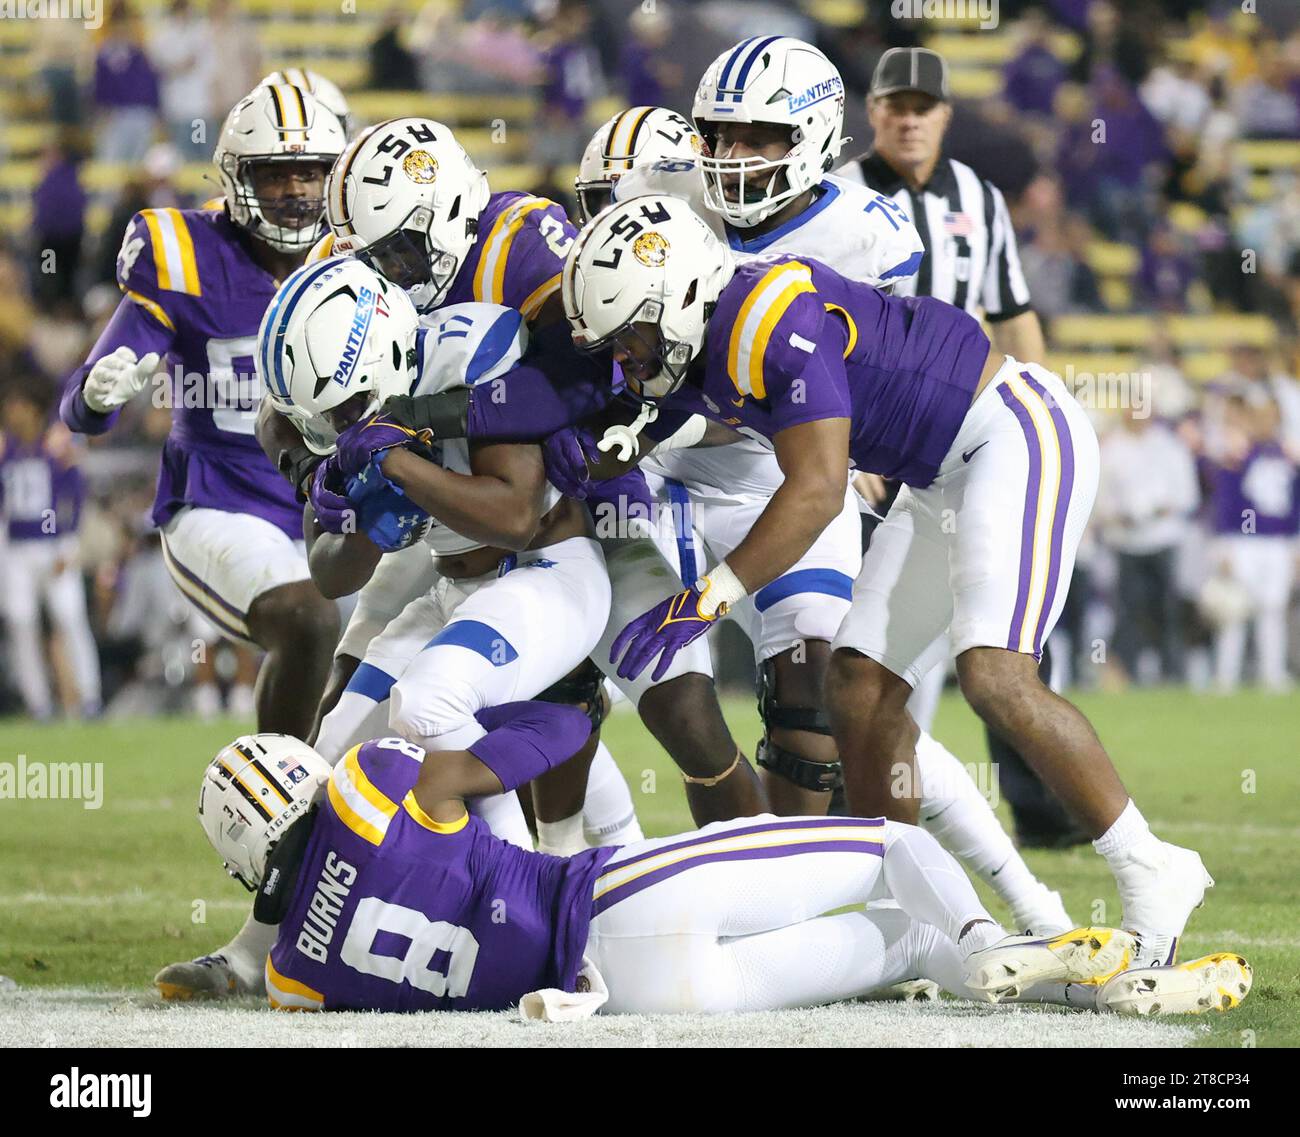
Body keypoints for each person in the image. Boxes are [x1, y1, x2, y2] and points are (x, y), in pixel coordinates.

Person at [562, 194, 1215, 969]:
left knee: (995, 675)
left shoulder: (770, 316)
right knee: (858, 690)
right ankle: (914, 916)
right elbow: (658, 417)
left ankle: (1150, 867)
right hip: (938, 475)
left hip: (1014, 429)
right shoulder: (701, 330)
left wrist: (706, 598)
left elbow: (816, 490)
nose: (627, 356)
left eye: (633, 334)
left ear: (678, 298)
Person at [301, 116, 769, 828]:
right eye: (373, 255)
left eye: (398, 249)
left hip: (574, 505)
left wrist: (422, 422)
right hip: (438, 521)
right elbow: (288, 392)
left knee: (682, 711)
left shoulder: (523, 245)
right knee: (346, 699)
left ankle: (750, 880)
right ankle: (527, 872)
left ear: (447, 208)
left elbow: (588, 379)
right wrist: (313, 463)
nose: (386, 271)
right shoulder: (352, 259)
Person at [196, 726, 1253, 1018]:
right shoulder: (366, 790)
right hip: (614, 896)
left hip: (637, 1001)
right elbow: (502, 758)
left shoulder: (297, 977)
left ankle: (1091, 984)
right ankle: (993, 943)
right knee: (895, 847)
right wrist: (567, 704)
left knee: (901, 950)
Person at [58, 84, 348, 999]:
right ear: (238, 178)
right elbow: (82, 405)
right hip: (219, 507)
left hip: (339, 515)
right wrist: (101, 394)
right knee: (309, 619)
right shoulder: (183, 250)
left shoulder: (369, 248)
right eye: (279, 172)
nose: (299, 192)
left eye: (312, 171)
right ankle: (276, 847)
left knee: (396, 694)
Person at [0, 384, 102, 720]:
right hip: (15, 547)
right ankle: (38, 702)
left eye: (17, 405)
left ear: (32, 408)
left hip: (52, 543)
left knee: (69, 616)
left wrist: (67, 542)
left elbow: (75, 493)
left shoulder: (57, 443)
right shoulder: (5, 447)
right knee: (21, 621)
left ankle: (89, 697)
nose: (11, 412)